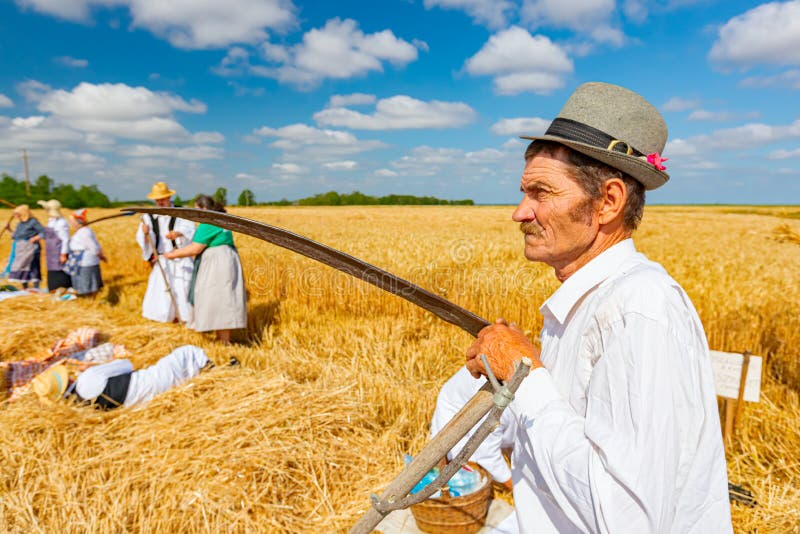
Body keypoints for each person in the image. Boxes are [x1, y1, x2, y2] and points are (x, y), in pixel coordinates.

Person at [464, 83, 732, 533]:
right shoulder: (588, 303)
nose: (520, 213)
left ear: (608, 201)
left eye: (541, 192)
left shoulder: (638, 311)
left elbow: (625, 518)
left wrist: (526, 379)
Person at [164, 194, 246, 344]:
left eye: (197, 210)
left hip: (217, 263)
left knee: (216, 298)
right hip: (226, 259)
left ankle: (224, 341)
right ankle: (221, 337)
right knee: (222, 298)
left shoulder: (208, 222)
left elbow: (196, 248)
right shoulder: (221, 219)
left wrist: (173, 254)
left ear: (204, 208)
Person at [31, 345, 212, 409]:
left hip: (140, 403)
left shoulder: (79, 406)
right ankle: (220, 373)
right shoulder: (88, 378)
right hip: (151, 383)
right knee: (187, 352)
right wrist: (94, 367)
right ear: (66, 380)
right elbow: (127, 365)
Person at [430, 366, 515, 491]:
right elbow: (487, 454)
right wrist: (516, 488)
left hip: (488, 412)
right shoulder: (495, 404)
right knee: (468, 475)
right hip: (457, 421)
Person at [135, 181, 195, 323]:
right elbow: (142, 238)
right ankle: (165, 317)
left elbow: (191, 230)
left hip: (181, 258)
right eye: (157, 200)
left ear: (169, 198)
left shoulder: (182, 213)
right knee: (162, 289)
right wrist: (145, 234)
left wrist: (179, 234)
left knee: (183, 287)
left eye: (162, 199)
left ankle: (185, 317)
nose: (160, 202)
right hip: (163, 259)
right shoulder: (148, 217)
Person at [4, 205, 44, 289]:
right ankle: (25, 287)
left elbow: (44, 232)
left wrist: (36, 238)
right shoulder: (20, 223)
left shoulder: (33, 222)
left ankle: (36, 287)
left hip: (31, 248)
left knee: (33, 266)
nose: (15, 216)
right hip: (21, 249)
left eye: (17, 214)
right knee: (23, 266)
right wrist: (8, 228)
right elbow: (16, 236)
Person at [68, 208, 106, 296]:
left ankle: (90, 299)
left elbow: (93, 247)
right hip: (80, 261)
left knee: (87, 283)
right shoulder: (82, 231)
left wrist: (100, 255)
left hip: (85, 262)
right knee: (84, 283)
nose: (71, 223)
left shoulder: (84, 232)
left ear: (78, 222)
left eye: (72, 221)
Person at [37, 199, 72, 292]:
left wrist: (63, 254)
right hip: (51, 252)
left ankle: (61, 288)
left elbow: (65, 239)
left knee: (59, 270)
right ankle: (53, 288)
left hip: (58, 251)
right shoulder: (51, 221)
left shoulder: (61, 223)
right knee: (52, 269)